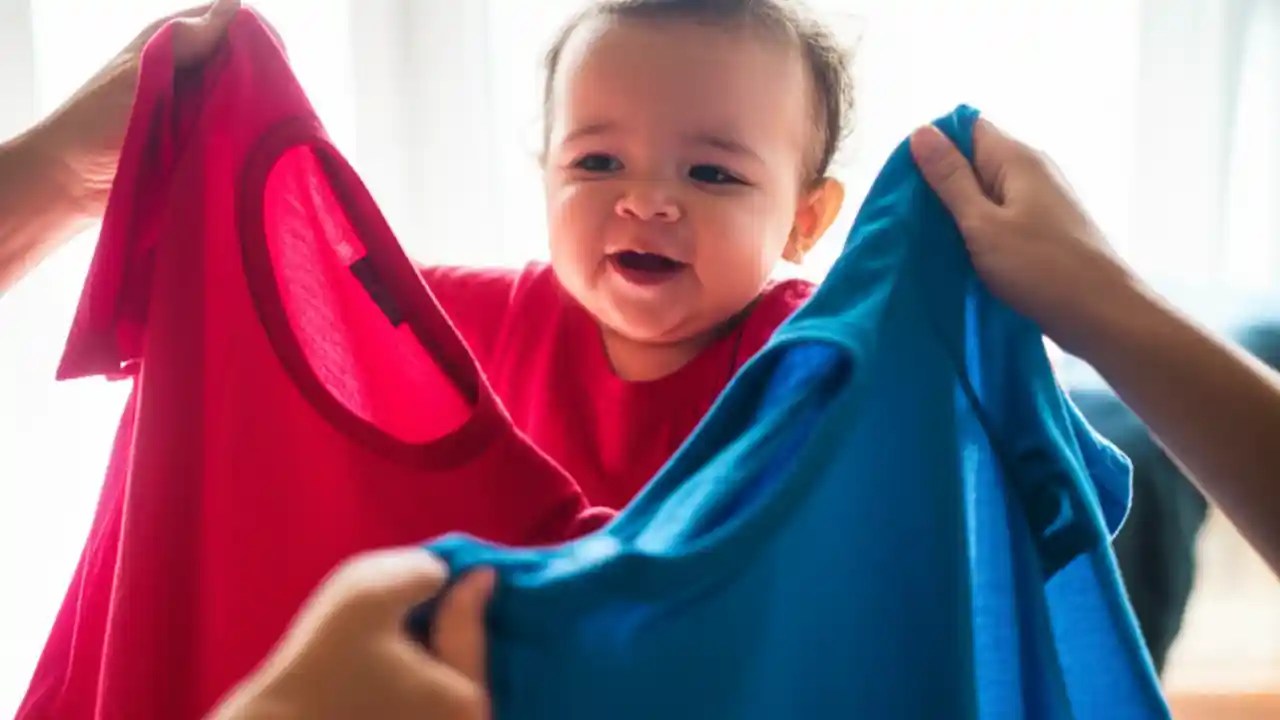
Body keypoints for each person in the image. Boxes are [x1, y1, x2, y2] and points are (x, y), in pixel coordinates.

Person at [3, 0, 1280, 717]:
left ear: (803, 221)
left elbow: (956, 493)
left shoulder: (813, 361)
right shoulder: (467, 321)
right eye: (595, 162)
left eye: (710, 172)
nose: (644, 201)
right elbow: (310, 305)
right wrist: (223, 166)